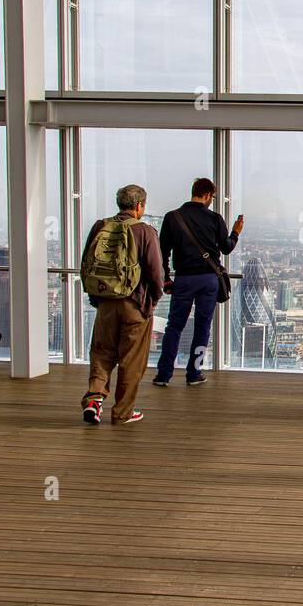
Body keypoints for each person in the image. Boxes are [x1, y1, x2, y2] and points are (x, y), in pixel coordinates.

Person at [80, 185, 165, 426]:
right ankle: (122, 412)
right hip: (135, 304)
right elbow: (156, 272)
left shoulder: (100, 226)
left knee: (101, 352)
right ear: (139, 206)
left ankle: (94, 400)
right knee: (131, 359)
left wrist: (96, 296)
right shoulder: (145, 231)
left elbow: (86, 263)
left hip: (106, 302)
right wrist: (152, 300)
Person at [153, 178, 243, 387]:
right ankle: (194, 373)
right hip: (208, 280)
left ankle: (163, 374)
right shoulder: (214, 218)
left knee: (174, 327)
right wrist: (236, 232)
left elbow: (162, 252)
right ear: (208, 195)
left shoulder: (172, 217)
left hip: (183, 278)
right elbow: (227, 247)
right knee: (202, 327)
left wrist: (166, 279)